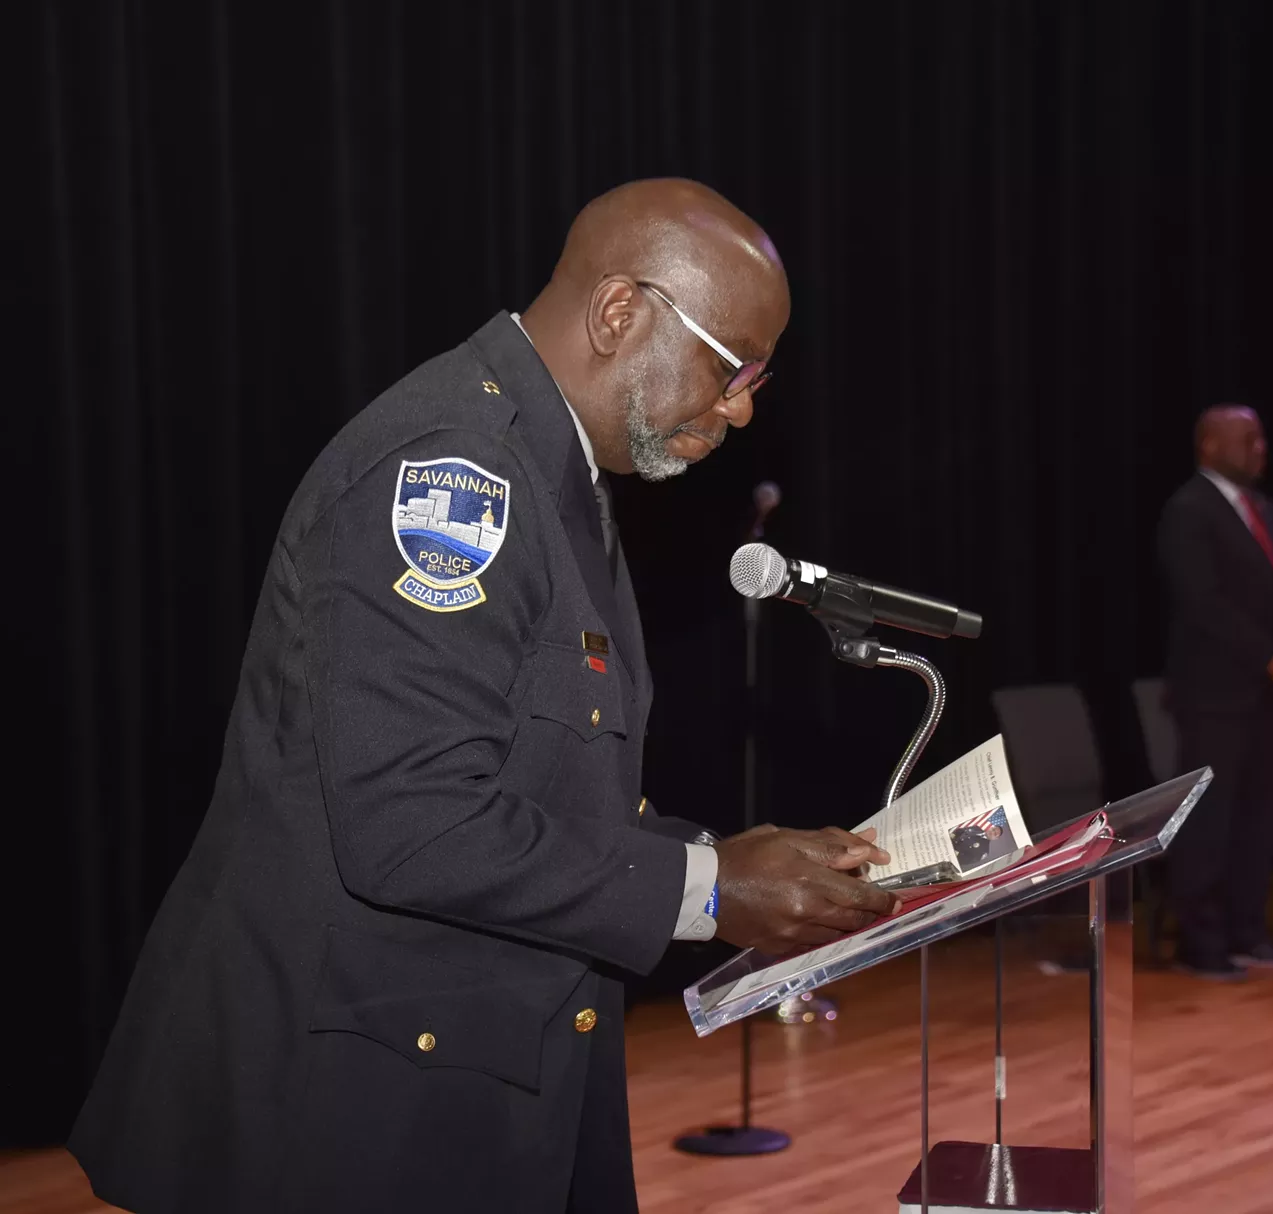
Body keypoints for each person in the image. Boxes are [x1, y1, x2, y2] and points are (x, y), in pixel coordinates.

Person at [67, 180, 900, 1214]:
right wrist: (708, 888)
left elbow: (537, 783)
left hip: (449, 1070)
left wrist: (732, 861)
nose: (739, 407)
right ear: (619, 311)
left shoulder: (550, 467)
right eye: (732, 367)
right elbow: (411, 820)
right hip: (346, 1108)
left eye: (756, 380)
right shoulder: (451, 470)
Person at [1156, 405, 1273, 980]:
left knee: (1257, 817)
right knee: (1210, 820)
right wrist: (1268, 657)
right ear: (1209, 445)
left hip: (1265, 696)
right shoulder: (1189, 509)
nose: (1260, 448)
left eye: (1261, 438)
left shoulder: (1264, 509)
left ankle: (1248, 932)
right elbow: (1203, 603)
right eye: (1248, 439)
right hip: (1213, 696)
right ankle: (1199, 942)